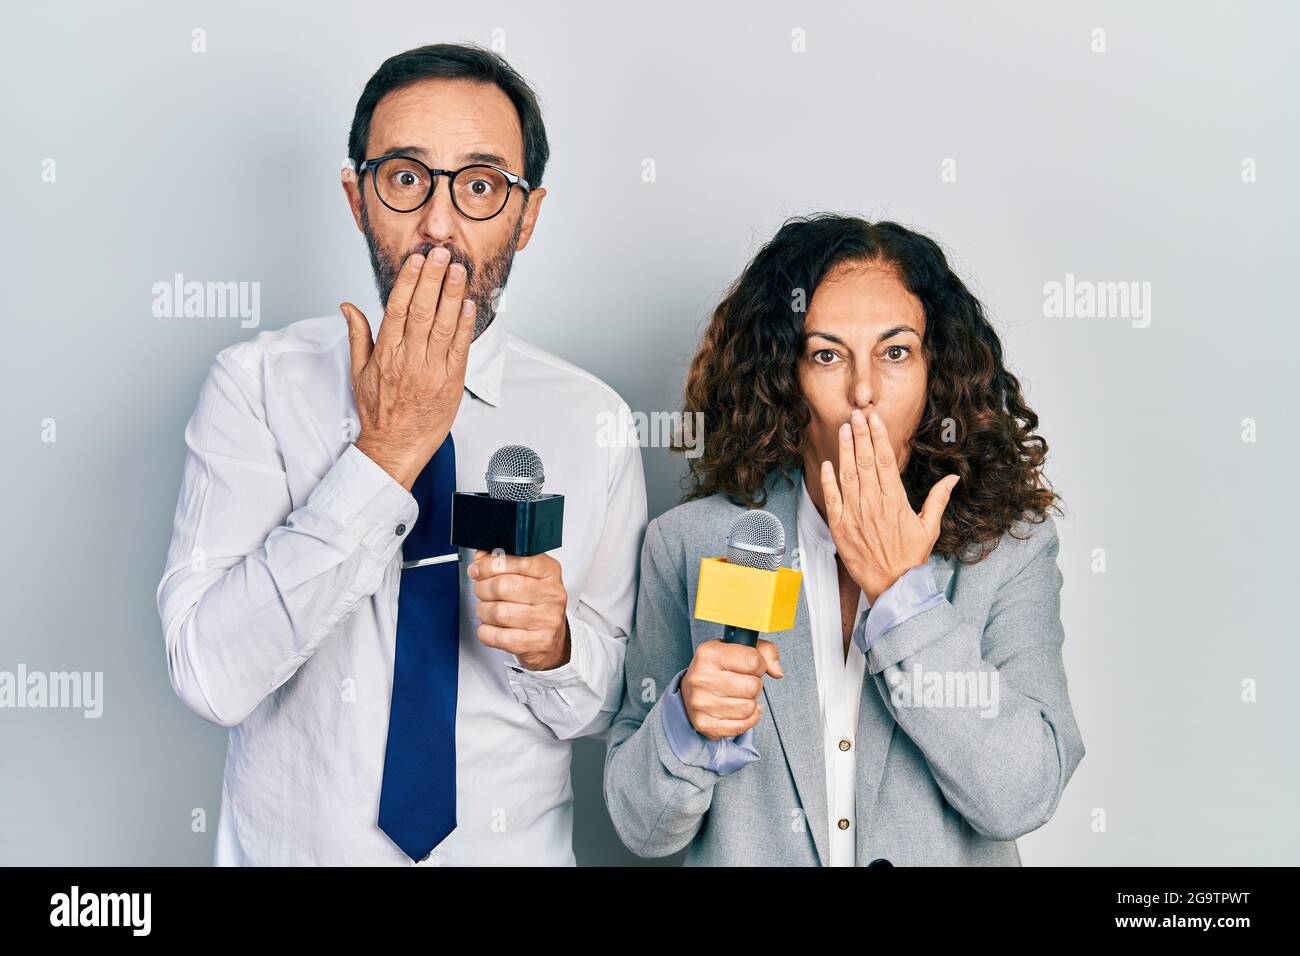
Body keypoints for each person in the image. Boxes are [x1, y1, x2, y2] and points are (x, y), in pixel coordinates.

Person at [156, 43, 647, 865]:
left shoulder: (592, 418)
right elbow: (210, 676)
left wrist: (554, 646)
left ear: (528, 216)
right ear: (358, 198)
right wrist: (385, 453)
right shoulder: (256, 386)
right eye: (406, 178)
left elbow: (604, 708)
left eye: (482, 185)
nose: (440, 224)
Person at [604, 214, 1084, 865]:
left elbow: (1021, 796)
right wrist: (688, 721)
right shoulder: (690, 544)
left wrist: (901, 594)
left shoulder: (1009, 550)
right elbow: (643, 828)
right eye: (827, 355)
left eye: (896, 352)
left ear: (936, 371)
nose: (863, 391)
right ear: (782, 380)